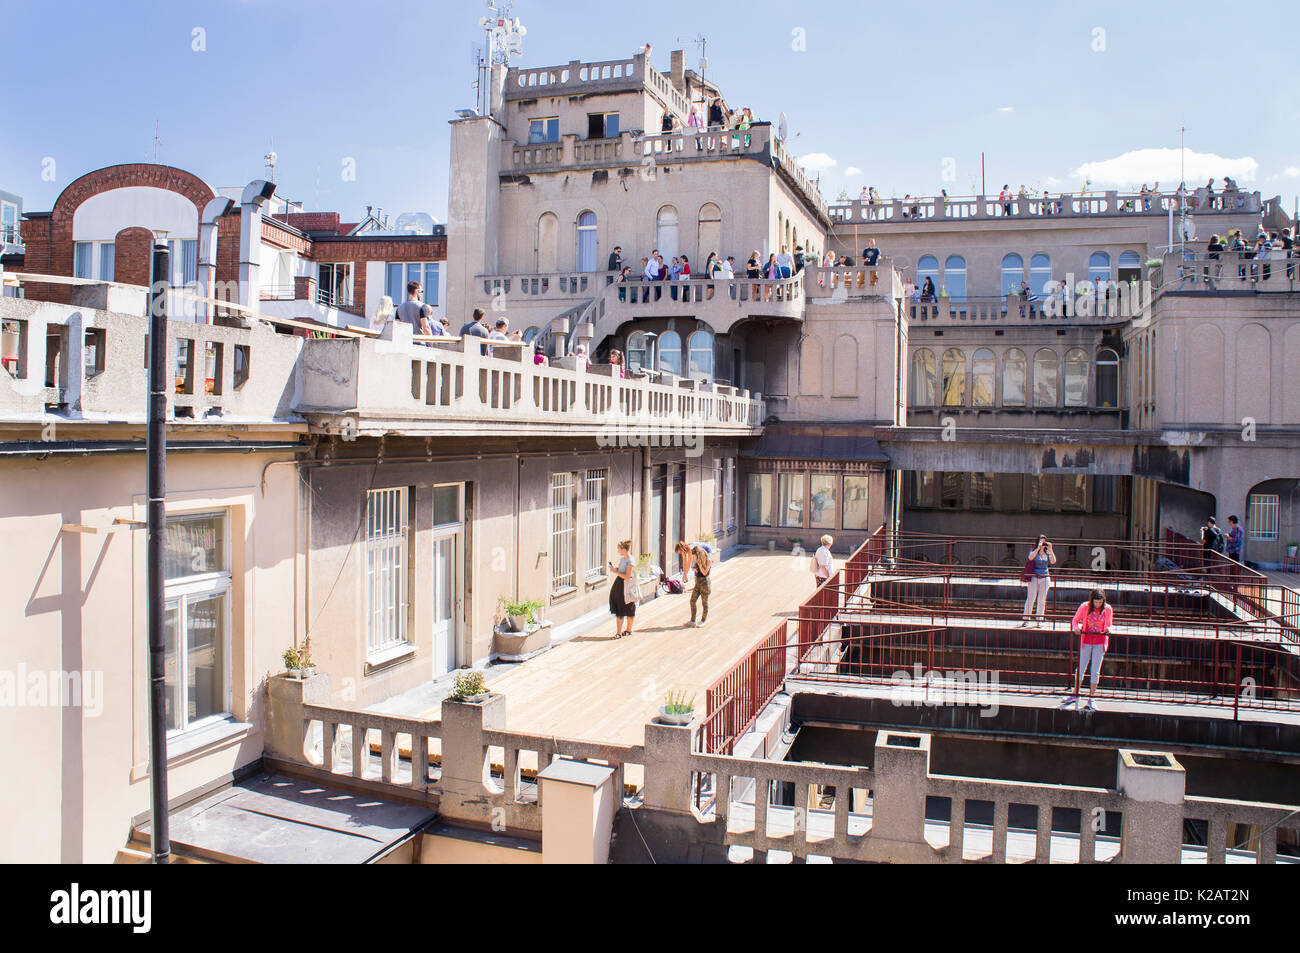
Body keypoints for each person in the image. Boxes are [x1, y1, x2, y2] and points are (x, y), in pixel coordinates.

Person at [1060, 588, 1113, 711]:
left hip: (1100, 642)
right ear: (1092, 600)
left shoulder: (1108, 609)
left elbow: (1109, 624)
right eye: (1096, 602)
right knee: (1081, 668)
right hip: (1086, 641)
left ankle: (1091, 697)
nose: (1098, 605)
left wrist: (1109, 629)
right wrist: (1076, 627)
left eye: (1100, 602)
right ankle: (1075, 694)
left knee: (1095, 671)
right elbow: (1075, 620)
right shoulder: (1084, 607)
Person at [1019, 535, 1055, 626]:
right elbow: (1030, 557)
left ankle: (1039, 620)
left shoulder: (1047, 553)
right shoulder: (1033, 551)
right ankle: (1026, 619)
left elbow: (1053, 561)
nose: (1043, 544)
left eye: (1044, 542)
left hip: (1045, 577)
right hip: (1034, 577)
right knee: (1031, 598)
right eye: (1041, 542)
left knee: (1042, 599)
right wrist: (1038, 548)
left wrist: (1050, 549)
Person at [607, 539, 637, 638]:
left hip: (627, 585)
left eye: (619, 549)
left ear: (623, 549)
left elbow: (627, 576)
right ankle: (619, 632)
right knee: (619, 607)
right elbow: (621, 571)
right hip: (619, 584)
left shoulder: (630, 561)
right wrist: (614, 569)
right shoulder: (623, 559)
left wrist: (616, 572)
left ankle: (628, 630)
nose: (618, 551)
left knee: (629, 607)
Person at [687, 543, 712, 627]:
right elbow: (696, 569)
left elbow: (704, 572)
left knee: (704, 603)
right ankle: (692, 620)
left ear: (699, 555)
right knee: (692, 601)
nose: (694, 558)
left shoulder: (708, 560)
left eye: (695, 556)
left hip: (705, 584)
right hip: (697, 583)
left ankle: (703, 620)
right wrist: (694, 568)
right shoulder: (697, 561)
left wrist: (700, 564)